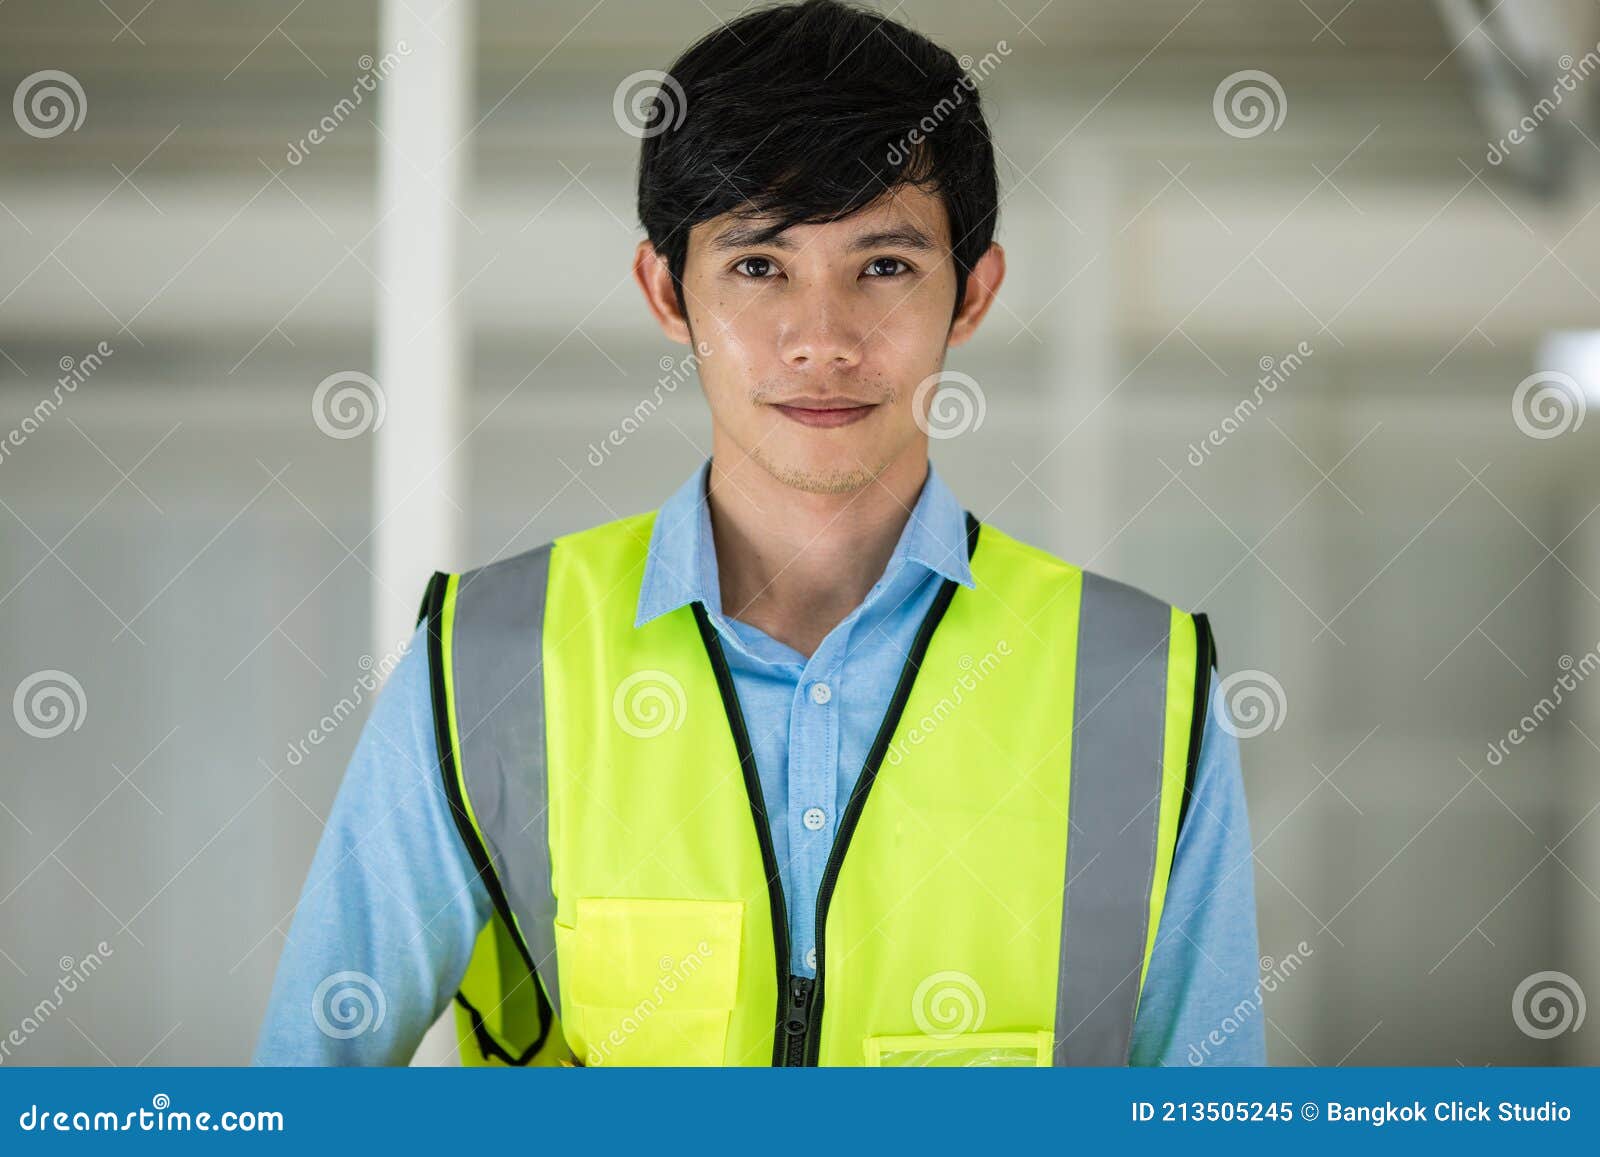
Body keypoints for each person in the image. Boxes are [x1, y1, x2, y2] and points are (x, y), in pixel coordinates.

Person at [254, 0, 1264, 1067]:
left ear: (971, 293)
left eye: (882, 266)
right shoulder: (484, 663)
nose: (821, 340)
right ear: (664, 290)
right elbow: (309, 1092)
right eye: (757, 265)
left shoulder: (1140, 682)